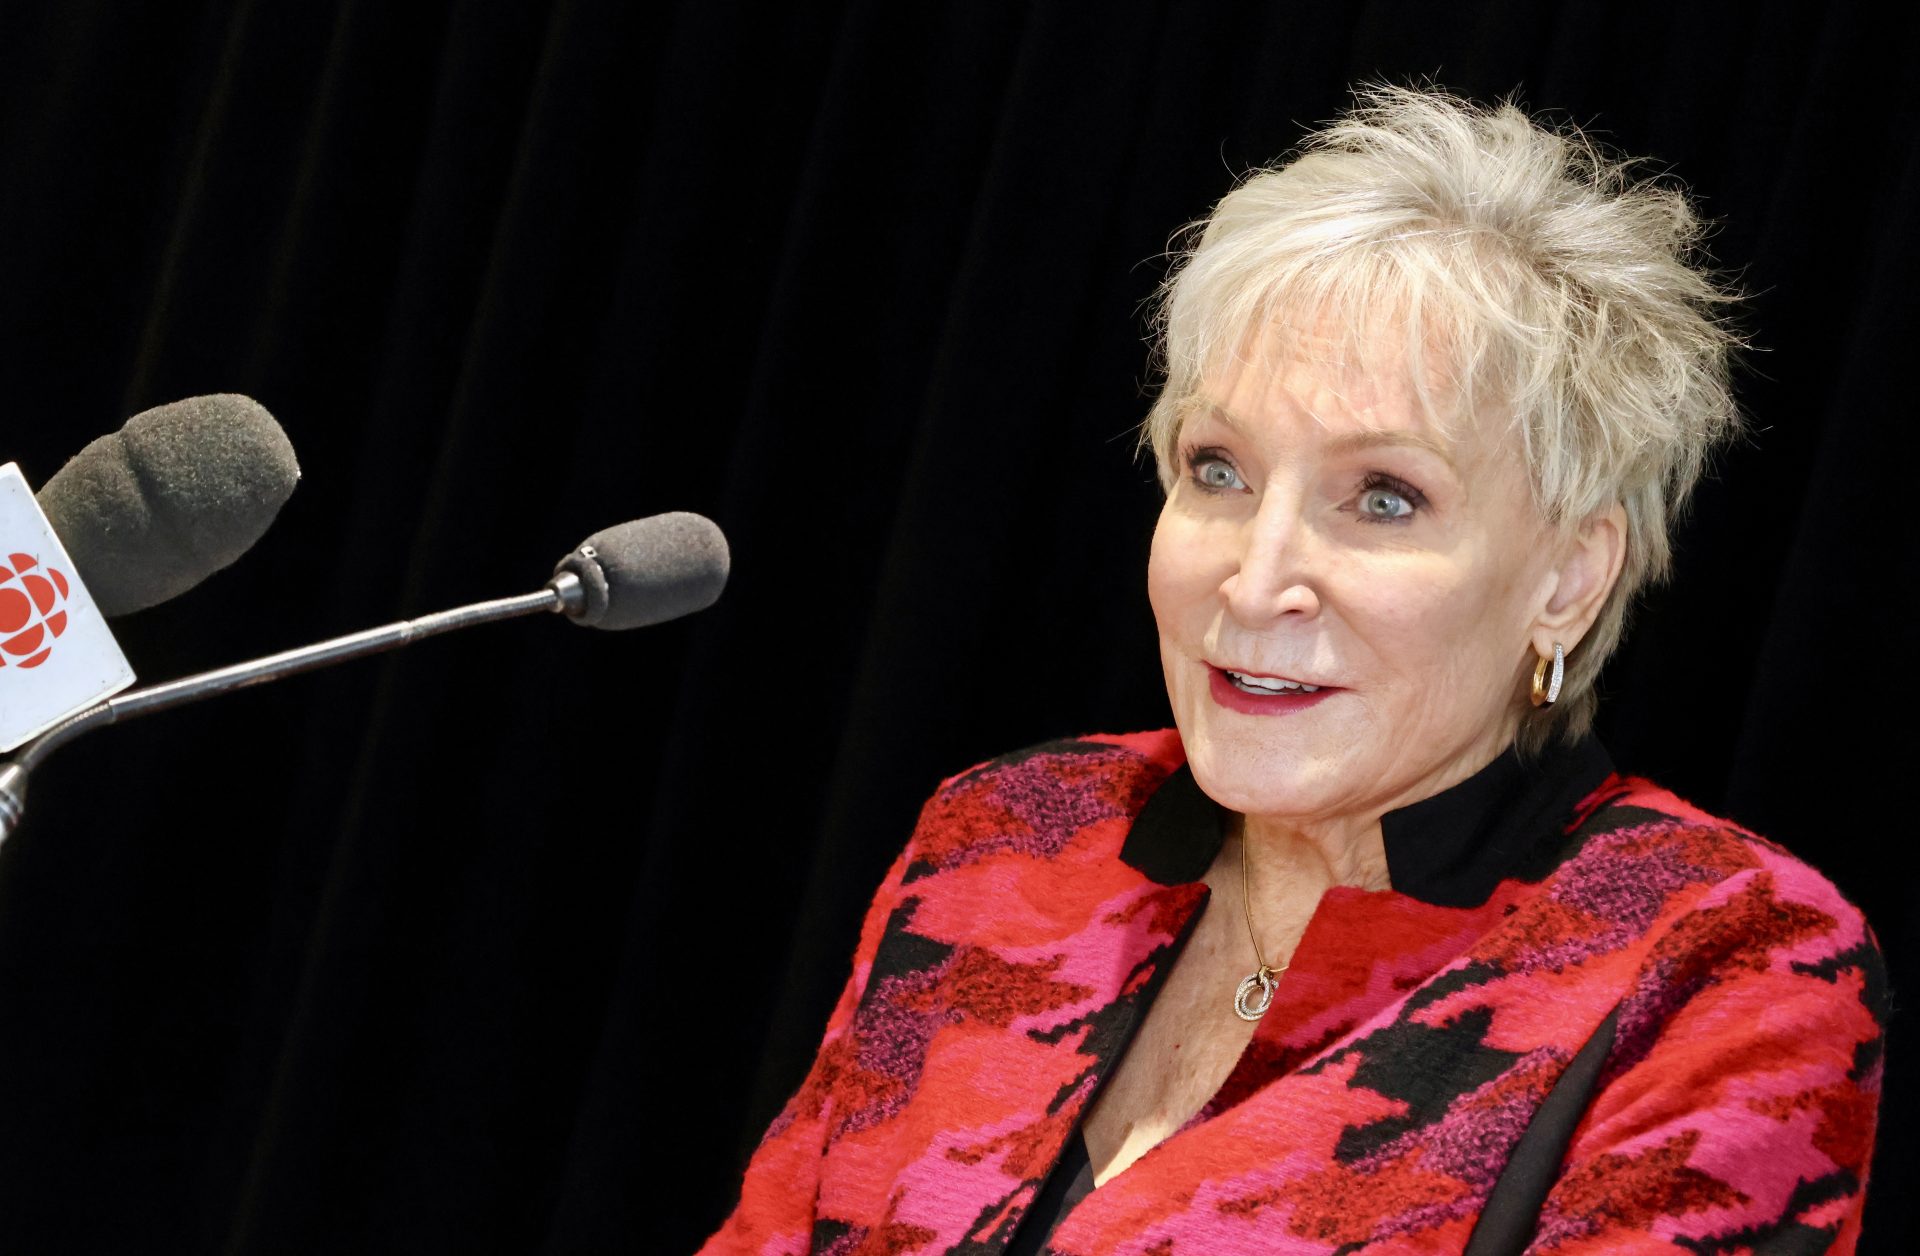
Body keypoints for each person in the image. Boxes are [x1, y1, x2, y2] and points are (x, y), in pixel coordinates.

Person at [699, 85, 1885, 1255]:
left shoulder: (1723, 962)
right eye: (1218, 469)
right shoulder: (1007, 839)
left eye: (1383, 498)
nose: (1257, 581)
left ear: (1567, 576)